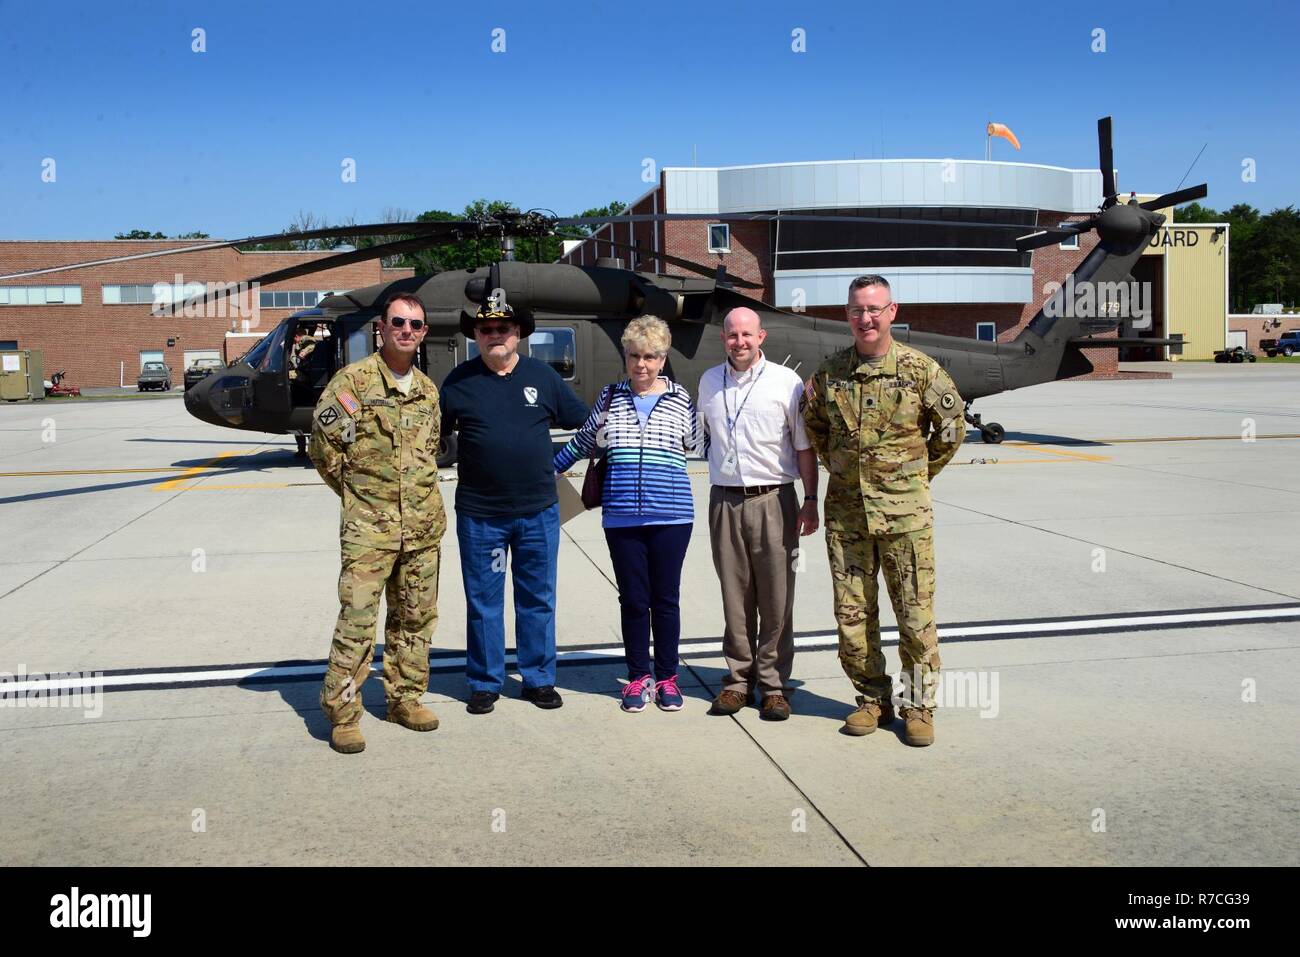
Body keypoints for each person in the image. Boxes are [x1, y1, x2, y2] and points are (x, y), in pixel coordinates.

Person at [802, 275, 965, 747]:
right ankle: (872, 699)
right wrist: (840, 467)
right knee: (853, 616)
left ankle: (918, 707)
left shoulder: (921, 371)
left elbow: (951, 430)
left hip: (906, 520)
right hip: (847, 518)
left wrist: (913, 477)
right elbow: (813, 425)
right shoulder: (830, 374)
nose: (865, 318)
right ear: (846, 315)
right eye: (857, 310)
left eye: (874, 309)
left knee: (915, 616)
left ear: (892, 311)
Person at [309, 292, 447, 754]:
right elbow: (324, 449)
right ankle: (345, 713)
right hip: (370, 531)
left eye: (416, 325)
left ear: (424, 333)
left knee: (416, 617)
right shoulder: (354, 383)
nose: (407, 331)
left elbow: (429, 454)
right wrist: (360, 500)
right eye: (399, 322)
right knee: (357, 620)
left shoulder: (428, 390)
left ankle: (405, 699)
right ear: (381, 328)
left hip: (423, 529)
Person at [439, 296, 589, 714]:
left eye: (502, 329)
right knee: (484, 602)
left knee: (537, 598)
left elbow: (585, 423)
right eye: (485, 330)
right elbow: (432, 433)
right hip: (481, 514)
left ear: (518, 333)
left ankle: (539, 678)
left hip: (538, 512)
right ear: (476, 336)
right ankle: (485, 681)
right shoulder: (458, 381)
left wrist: (561, 462)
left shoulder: (542, 376)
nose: (494, 336)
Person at [553, 316, 704, 713]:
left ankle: (669, 677)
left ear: (663, 357)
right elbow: (583, 441)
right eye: (635, 356)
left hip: (671, 516)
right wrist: (544, 471)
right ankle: (638, 676)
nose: (642, 365)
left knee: (665, 598)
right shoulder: (610, 398)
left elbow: (701, 445)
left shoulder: (681, 399)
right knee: (634, 600)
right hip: (621, 517)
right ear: (626, 355)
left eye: (651, 357)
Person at [696, 306, 819, 721]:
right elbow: (700, 439)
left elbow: (804, 446)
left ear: (761, 337)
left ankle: (773, 686)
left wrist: (810, 500)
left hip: (775, 500)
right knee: (735, 597)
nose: (740, 342)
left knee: (777, 597)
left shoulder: (787, 383)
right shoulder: (709, 382)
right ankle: (736, 682)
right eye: (732, 335)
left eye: (747, 335)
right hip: (724, 500)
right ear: (724, 339)